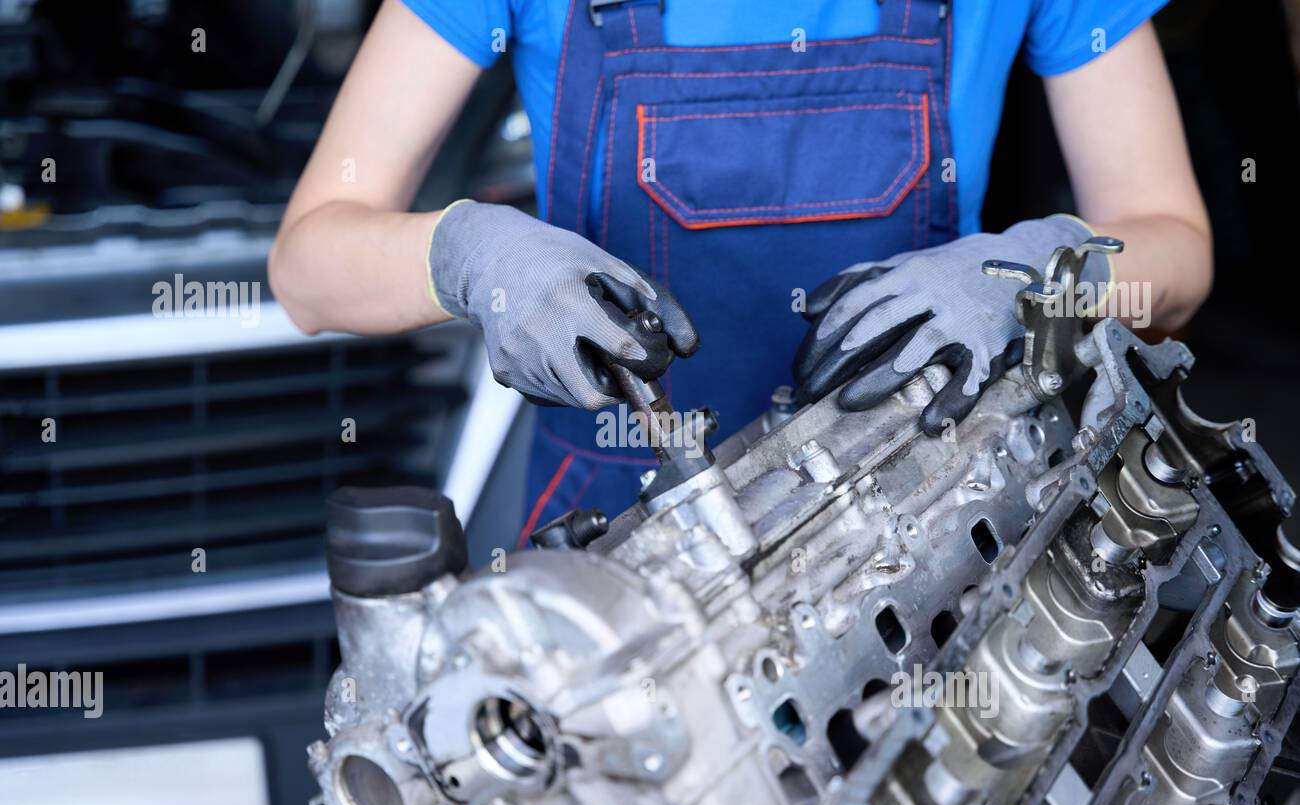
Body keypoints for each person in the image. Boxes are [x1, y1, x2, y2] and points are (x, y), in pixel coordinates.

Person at [269, 0, 1211, 541]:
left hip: (929, 528)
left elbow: (1176, 250)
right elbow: (309, 267)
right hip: (621, 534)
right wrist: (473, 253)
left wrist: (1042, 271)